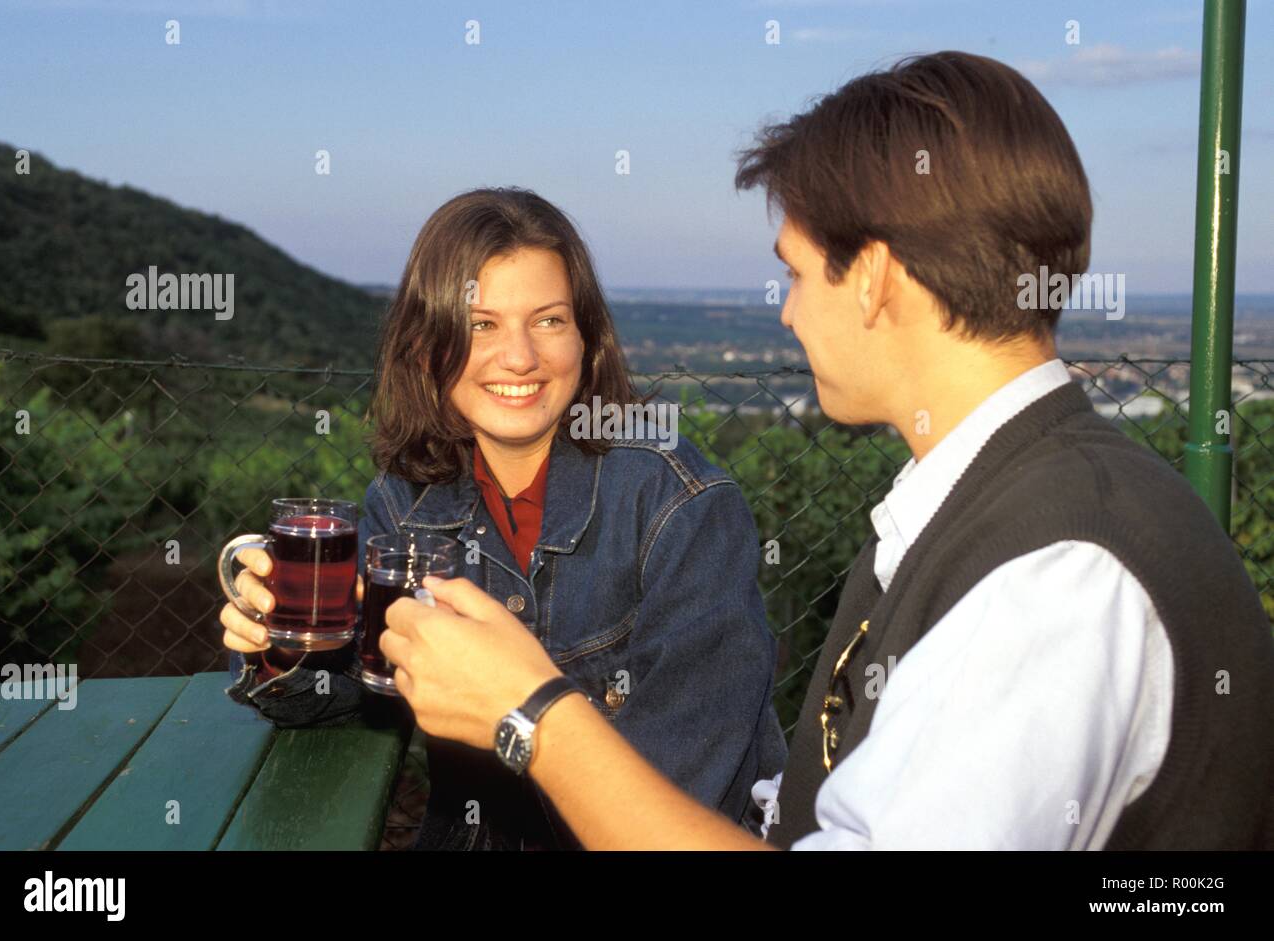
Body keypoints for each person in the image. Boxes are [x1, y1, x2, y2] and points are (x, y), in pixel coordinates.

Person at [379, 51, 1274, 850]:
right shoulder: (995, 505)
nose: (788, 311)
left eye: (797, 272)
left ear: (875, 275)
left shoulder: (1054, 578)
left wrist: (534, 714)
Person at [218, 188, 787, 850]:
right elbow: (353, 694)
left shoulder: (680, 508)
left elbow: (678, 811)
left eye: (547, 320)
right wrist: (285, 642)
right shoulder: (406, 502)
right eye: (481, 324)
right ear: (428, 346)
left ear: (586, 336)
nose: (519, 357)